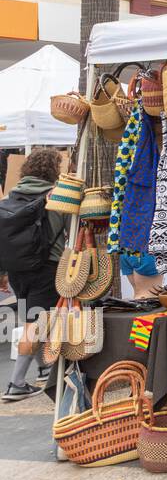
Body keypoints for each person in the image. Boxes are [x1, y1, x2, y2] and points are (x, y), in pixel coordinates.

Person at [0, 149, 68, 401]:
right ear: (53, 170)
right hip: (46, 268)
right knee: (34, 325)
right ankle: (15, 384)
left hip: (18, 271)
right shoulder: (56, 197)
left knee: (35, 318)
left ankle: (44, 368)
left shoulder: (10, 197)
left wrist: (2, 272)